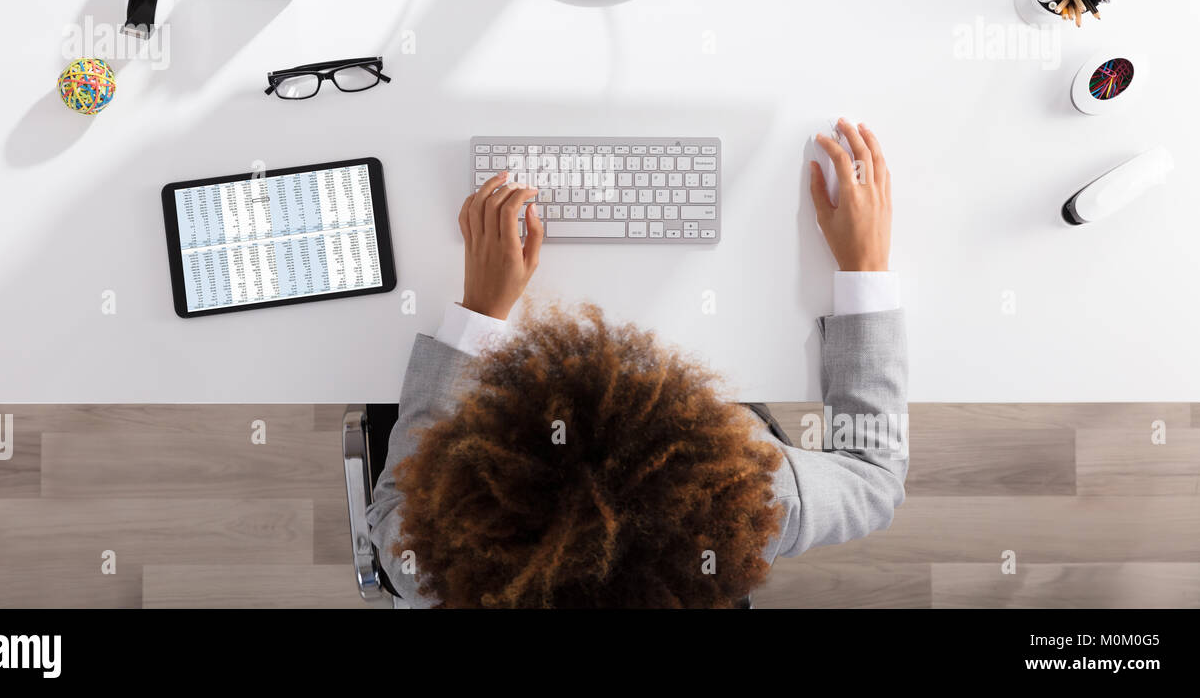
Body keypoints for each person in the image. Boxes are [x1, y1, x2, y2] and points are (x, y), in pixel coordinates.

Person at [367, 119, 906, 608]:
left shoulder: (436, 557)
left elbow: (395, 511)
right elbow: (874, 479)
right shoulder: (747, 500)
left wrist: (480, 314)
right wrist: (865, 269)